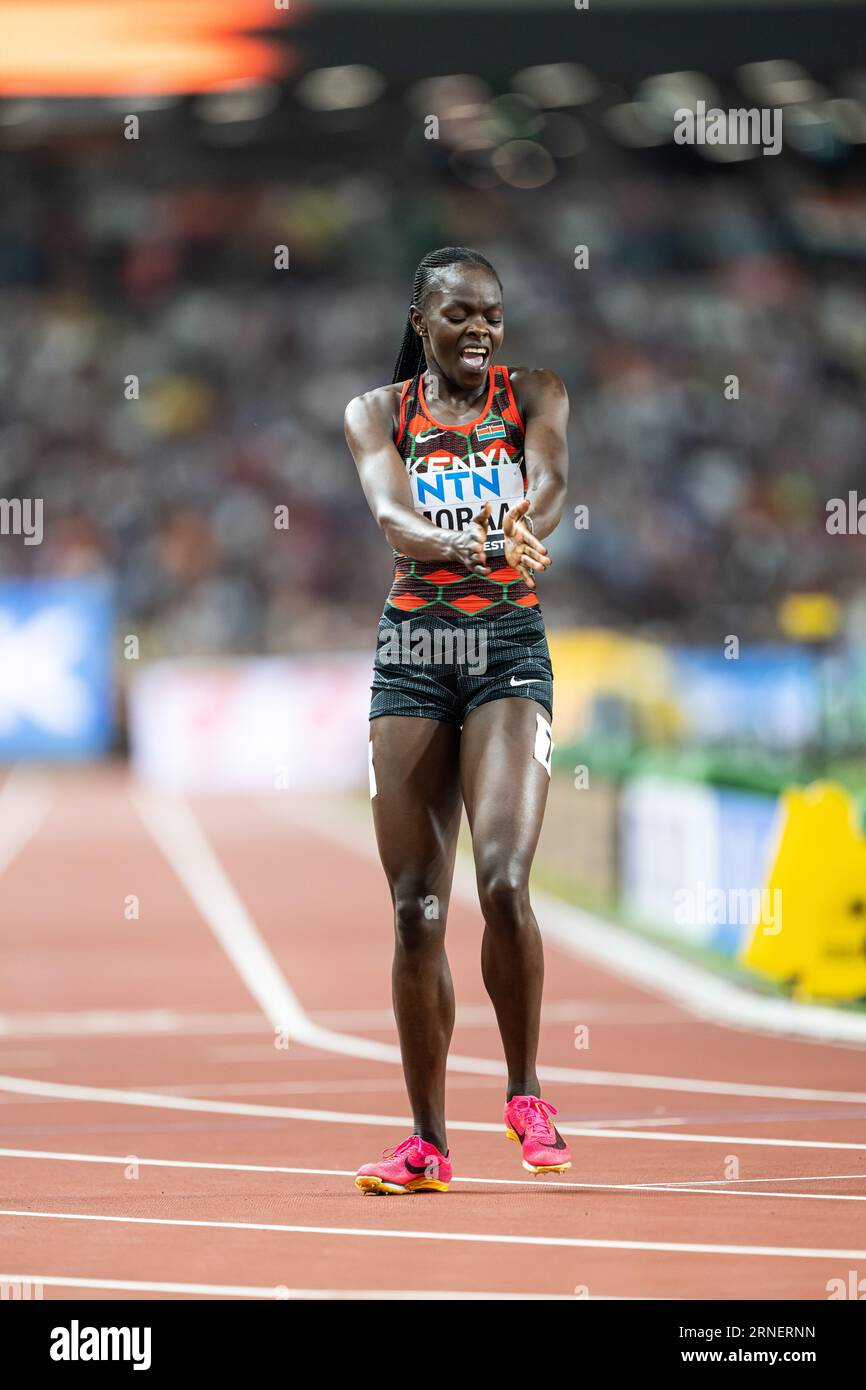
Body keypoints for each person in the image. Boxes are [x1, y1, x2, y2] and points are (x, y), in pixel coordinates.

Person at [344, 246, 570, 1194]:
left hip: (507, 655)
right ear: (420, 318)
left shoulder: (535, 392)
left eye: (493, 315)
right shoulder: (374, 414)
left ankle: (525, 1093)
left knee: (506, 881)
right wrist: (468, 540)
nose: (480, 329)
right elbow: (394, 518)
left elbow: (550, 481)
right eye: (460, 315)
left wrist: (528, 523)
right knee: (413, 909)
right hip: (414, 660)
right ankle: (426, 1143)